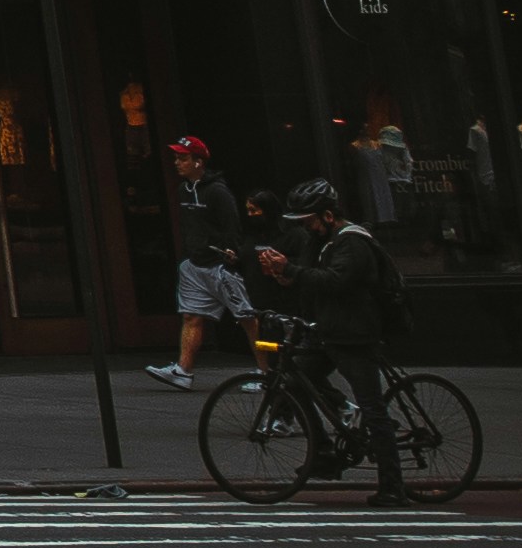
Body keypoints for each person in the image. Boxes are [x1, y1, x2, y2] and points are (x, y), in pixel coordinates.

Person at [252, 182, 412, 498]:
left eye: (308, 220)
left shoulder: (352, 242)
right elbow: (310, 278)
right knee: (293, 382)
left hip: (356, 334)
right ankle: (323, 453)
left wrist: (291, 270)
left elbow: (337, 281)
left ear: (328, 215)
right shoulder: (318, 240)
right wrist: (283, 275)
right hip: (326, 330)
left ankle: (393, 487)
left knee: (372, 407)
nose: (304, 227)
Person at [152, 134, 249, 392]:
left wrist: (232, 252)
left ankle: (267, 372)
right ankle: (183, 370)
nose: (177, 162)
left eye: (183, 158)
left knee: (248, 318)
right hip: (196, 263)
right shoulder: (184, 189)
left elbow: (232, 225)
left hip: (220, 264)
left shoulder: (217, 191)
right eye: (176, 158)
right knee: (191, 316)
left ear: (198, 161)